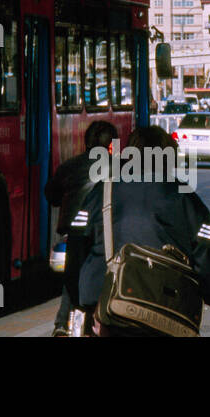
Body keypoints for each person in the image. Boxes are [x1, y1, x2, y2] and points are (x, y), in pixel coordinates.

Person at [66, 125, 210, 336]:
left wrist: (82, 301)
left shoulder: (102, 191)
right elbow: (208, 258)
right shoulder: (183, 197)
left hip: (108, 313)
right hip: (163, 314)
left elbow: (75, 252)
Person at [44, 120, 119, 336]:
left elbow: (51, 195)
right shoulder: (122, 167)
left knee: (72, 278)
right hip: (106, 235)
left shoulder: (70, 166)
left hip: (75, 234)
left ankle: (61, 324)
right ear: (111, 146)